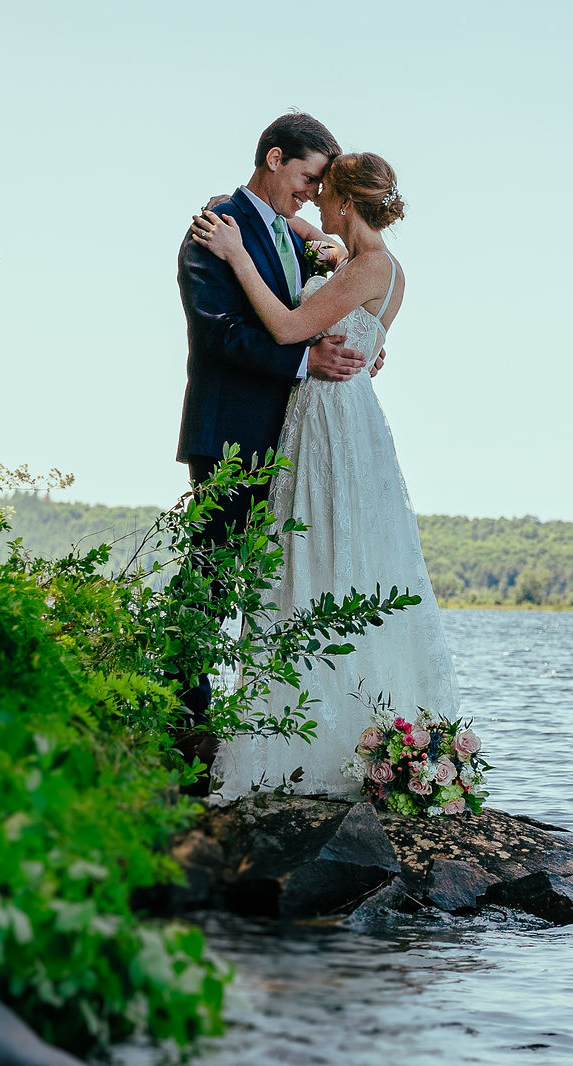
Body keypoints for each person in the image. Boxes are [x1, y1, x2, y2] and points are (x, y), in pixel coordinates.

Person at [189, 151, 459, 800]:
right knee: (349, 564)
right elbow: (356, 315)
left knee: (310, 563)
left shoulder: (365, 267)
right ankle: (361, 740)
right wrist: (311, 239)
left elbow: (287, 327)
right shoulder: (386, 270)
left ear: (346, 202)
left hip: (327, 421)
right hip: (354, 420)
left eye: (324, 197)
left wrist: (236, 253)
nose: (315, 206)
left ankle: (304, 751)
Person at [172, 112, 364, 792]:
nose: (312, 194)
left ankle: (253, 726)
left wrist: (323, 251)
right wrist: (306, 363)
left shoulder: (288, 232)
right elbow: (220, 334)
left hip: (285, 443)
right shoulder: (214, 229)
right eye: (308, 179)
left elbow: (305, 289)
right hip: (230, 434)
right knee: (210, 582)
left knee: (261, 587)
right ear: (275, 158)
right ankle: (179, 727)